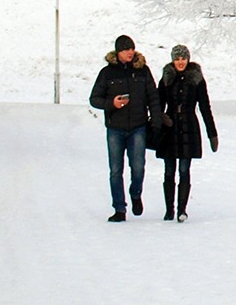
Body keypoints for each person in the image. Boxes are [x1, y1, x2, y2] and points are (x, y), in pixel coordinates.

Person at [89, 35, 160, 221]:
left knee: (138, 167)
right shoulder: (107, 73)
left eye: (132, 48)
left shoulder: (143, 71)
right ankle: (119, 209)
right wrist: (111, 103)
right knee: (115, 170)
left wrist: (156, 119)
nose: (130, 52)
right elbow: (94, 99)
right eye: (126, 49)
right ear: (118, 52)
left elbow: (153, 96)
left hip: (138, 126)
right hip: (115, 128)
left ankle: (135, 194)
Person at [152, 45, 218, 222]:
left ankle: (182, 209)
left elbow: (205, 107)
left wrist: (212, 133)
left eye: (183, 58)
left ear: (188, 59)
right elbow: (157, 104)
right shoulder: (166, 78)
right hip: (170, 128)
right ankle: (169, 210)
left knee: (184, 170)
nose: (180, 62)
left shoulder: (197, 79)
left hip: (189, 126)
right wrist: (161, 118)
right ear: (173, 60)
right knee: (169, 170)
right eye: (177, 59)